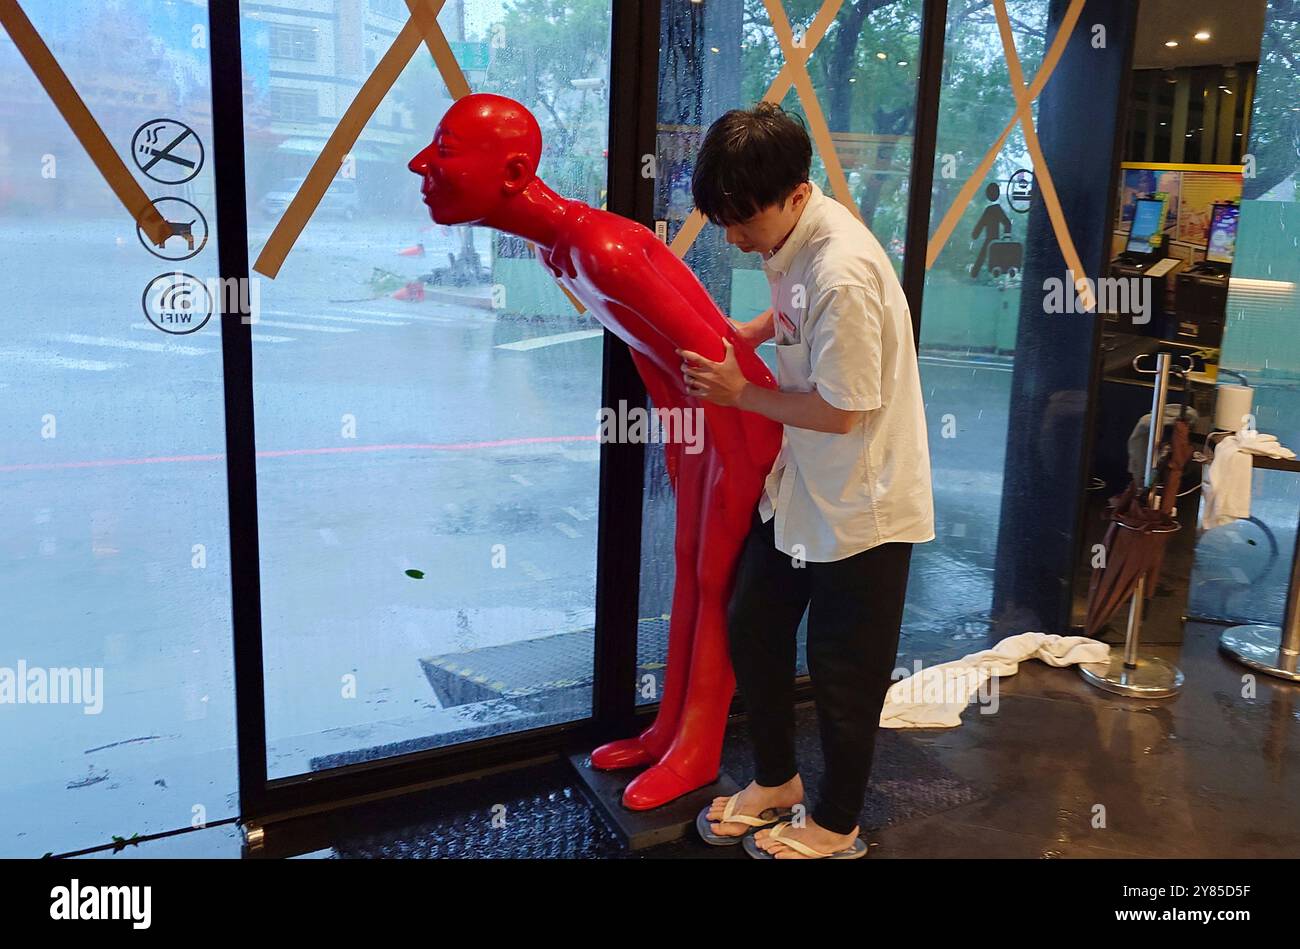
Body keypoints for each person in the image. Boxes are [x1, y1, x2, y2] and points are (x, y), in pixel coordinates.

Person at [409, 93, 784, 811]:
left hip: (741, 424)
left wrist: (725, 449)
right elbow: (655, 351)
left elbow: (716, 352)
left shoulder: (600, 249)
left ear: (515, 171)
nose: (422, 162)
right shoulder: (561, 249)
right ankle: (669, 731)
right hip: (707, 429)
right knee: (690, 577)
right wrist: (682, 442)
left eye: (446, 149)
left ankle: (698, 749)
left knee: (714, 586)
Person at [679, 102, 934, 859]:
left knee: (842, 671)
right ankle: (779, 781)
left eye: (741, 220)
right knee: (754, 623)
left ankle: (836, 823)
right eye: (722, 218)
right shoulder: (792, 233)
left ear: (797, 194)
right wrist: (759, 329)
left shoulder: (843, 270)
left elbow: (845, 410)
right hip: (801, 483)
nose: (732, 236)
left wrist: (739, 391)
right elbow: (796, 304)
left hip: (865, 499)